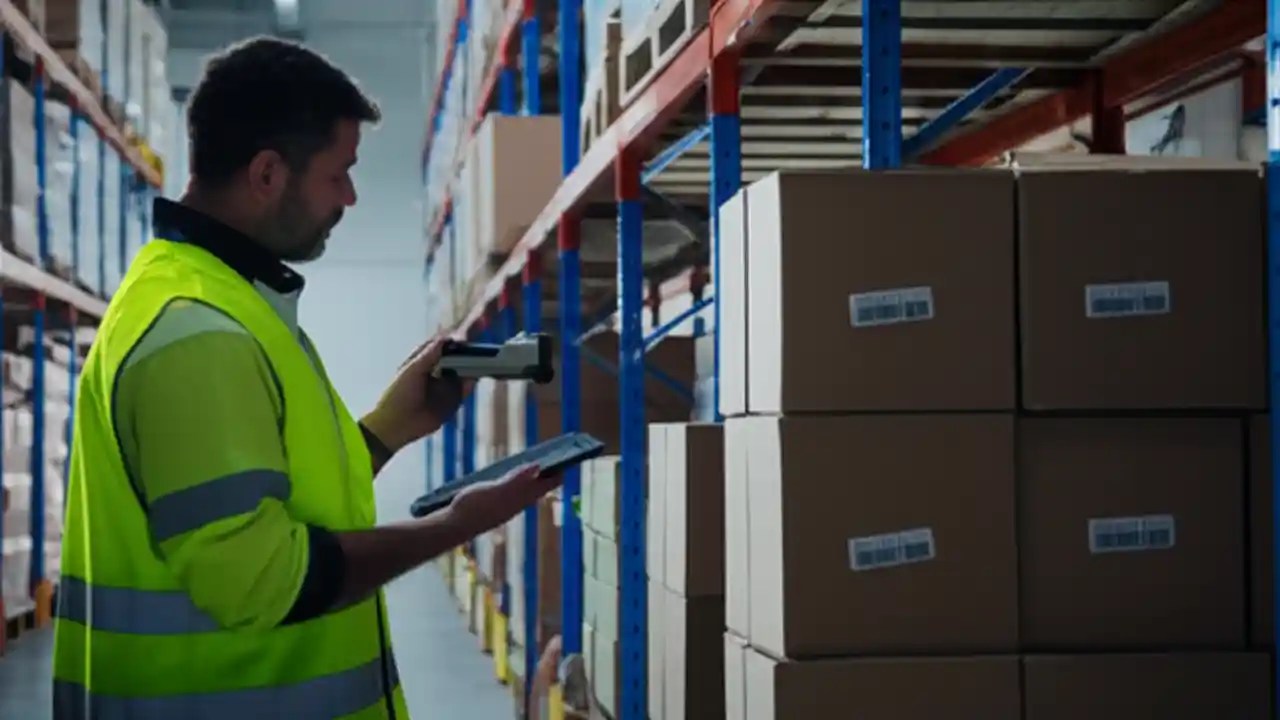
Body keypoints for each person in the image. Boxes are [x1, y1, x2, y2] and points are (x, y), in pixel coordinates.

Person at [51, 36, 562, 719]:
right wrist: (457, 525)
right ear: (267, 174)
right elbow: (268, 583)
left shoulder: (226, 303)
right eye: (338, 173)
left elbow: (272, 497)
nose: (350, 196)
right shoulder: (197, 332)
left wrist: (389, 429)